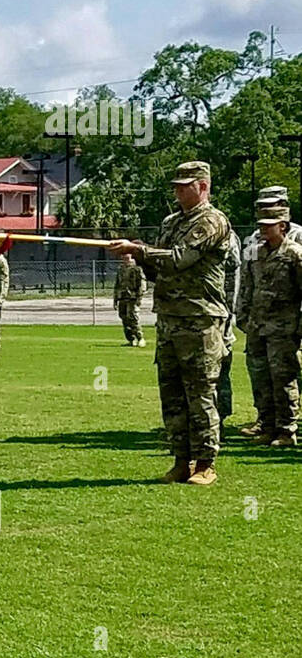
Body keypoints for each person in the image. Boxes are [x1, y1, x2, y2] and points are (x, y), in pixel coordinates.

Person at [108, 161, 231, 486]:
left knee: (201, 392)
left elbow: (179, 258)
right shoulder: (171, 222)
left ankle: (206, 463)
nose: (177, 191)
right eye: (175, 185)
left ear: (202, 186)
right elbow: (158, 268)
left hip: (201, 319)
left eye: (184, 185)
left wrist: (141, 249)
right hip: (169, 319)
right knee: (172, 393)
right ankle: (181, 460)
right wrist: (138, 257)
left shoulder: (212, 221)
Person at [238, 188, 302, 437]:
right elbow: (247, 286)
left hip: (283, 329)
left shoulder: (295, 254)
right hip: (257, 326)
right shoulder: (255, 251)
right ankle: (266, 425)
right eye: (261, 224)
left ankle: (287, 430)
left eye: (270, 224)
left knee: (283, 379)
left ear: (283, 226)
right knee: (260, 378)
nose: (263, 229)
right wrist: (242, 316)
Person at [216, 228, 242, 429]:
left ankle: (219, 419)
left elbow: (232, 269)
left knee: (219, 369)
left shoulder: (226, 234)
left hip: (220, 316)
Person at [113, 252, 146, 347]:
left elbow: (142, 284)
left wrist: (139, 297)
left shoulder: (137, 269)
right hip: (122, 297)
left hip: (133, 297)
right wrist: (115, 299)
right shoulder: (120, 269)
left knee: (133, 317)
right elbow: (117, 284)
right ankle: (131, 339)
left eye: (127, 255)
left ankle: (140, 337)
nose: (125, 257)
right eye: (123, 255)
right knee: (124, 318)